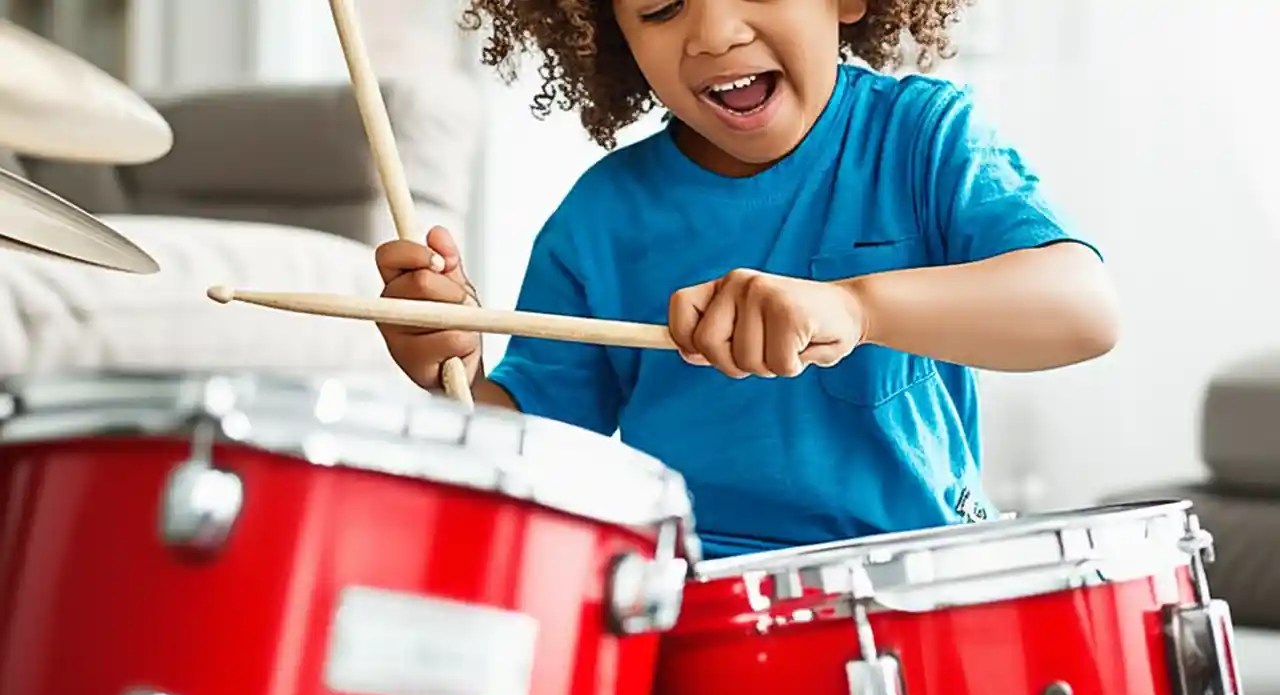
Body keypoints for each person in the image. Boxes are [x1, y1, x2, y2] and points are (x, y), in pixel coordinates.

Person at [374, 0, 1120, 559]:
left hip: (921, 581)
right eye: (661, 7)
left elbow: (1084, 311)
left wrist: (856, 308)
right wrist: (452, 369)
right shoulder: (599, 220)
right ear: (613, 32)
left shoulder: (923, 138)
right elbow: (529, 451)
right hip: (690, 604)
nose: (713, 33)